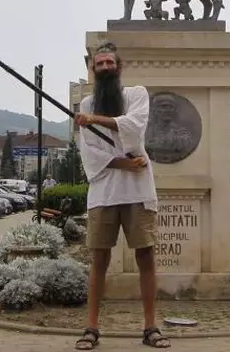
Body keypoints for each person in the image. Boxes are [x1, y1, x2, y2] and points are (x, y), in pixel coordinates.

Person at [73, 42, 170, 350]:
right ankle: (91, 328)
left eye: (109, 63)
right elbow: (90, 152)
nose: (104, 68)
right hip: (103, 192)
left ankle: (150, 327)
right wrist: (126, 163)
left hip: (138, 191)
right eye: (99, 64)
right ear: (93, 70)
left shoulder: (135, 95)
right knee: (99, 259)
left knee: (146, 256)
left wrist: (95, 121)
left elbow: (134, 127)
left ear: (118, 67)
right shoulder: (86, 104)